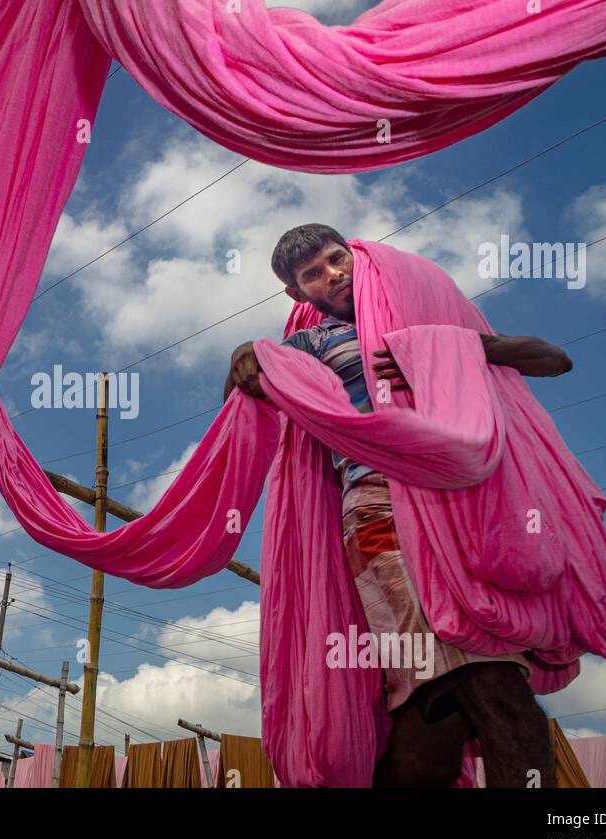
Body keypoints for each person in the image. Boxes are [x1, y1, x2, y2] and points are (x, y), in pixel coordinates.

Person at [225, 224, 572, 788]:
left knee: (433, 702)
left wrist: (455, 352)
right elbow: (250, 396)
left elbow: (553, 359)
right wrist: (247, 353)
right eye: (313, 273)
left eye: (337, 259)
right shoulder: (314, 344)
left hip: (462, 509)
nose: (332, 275)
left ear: (358, 257)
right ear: (298, 295)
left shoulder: (429, 324)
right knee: (486, 675)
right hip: (377, 506)